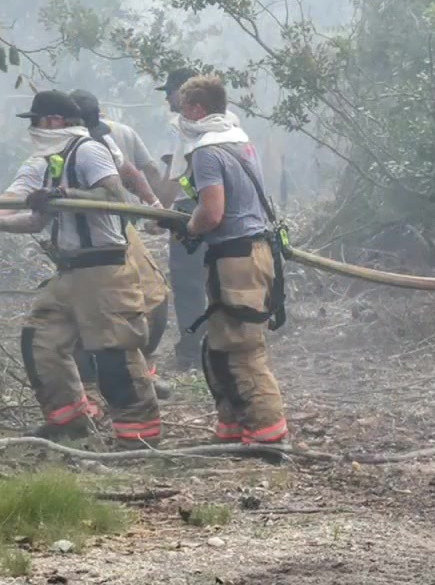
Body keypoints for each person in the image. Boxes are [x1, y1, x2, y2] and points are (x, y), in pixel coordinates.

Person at [0, 90, 162, 449]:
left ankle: (139, 438)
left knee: (115, 355)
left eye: (37, 121)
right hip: (68, 273)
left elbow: (115, 198)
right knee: (40, 340)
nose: (34, 129)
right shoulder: (43, 162)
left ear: (54, 121)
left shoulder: (88, 150)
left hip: (103, 270)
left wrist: (64, 195)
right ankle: (68, 421)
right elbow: (21, 208)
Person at [156, 74, 290, 447]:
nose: (179, 114)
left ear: (197, 109)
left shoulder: (206, 151)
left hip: (236, 258)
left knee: (241, 346)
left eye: (183, 107)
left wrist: (189, 228)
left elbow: (212, 213)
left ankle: (267, 435)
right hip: (250, 253)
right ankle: (233, 426)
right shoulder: (238, 139)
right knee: (218, 344)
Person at [67, 89, 174, 402]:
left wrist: (154, 205)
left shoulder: (102, 140)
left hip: (120, 230)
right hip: (84, 247)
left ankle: (142, 368)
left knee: (154, 297)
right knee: (91, 314)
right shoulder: (55, 153)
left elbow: (129, 171)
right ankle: (91, 384)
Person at [151, 67, 211, 372]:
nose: (167, 100)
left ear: (181, 92)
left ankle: (191, 351)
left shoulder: (179, 126)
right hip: (222, 207)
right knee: (215, 278)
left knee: (187, 282)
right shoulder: (223, 122)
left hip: (187, 211)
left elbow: (172, 174)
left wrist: (156, 211)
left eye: (168, 92)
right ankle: (219, 344)